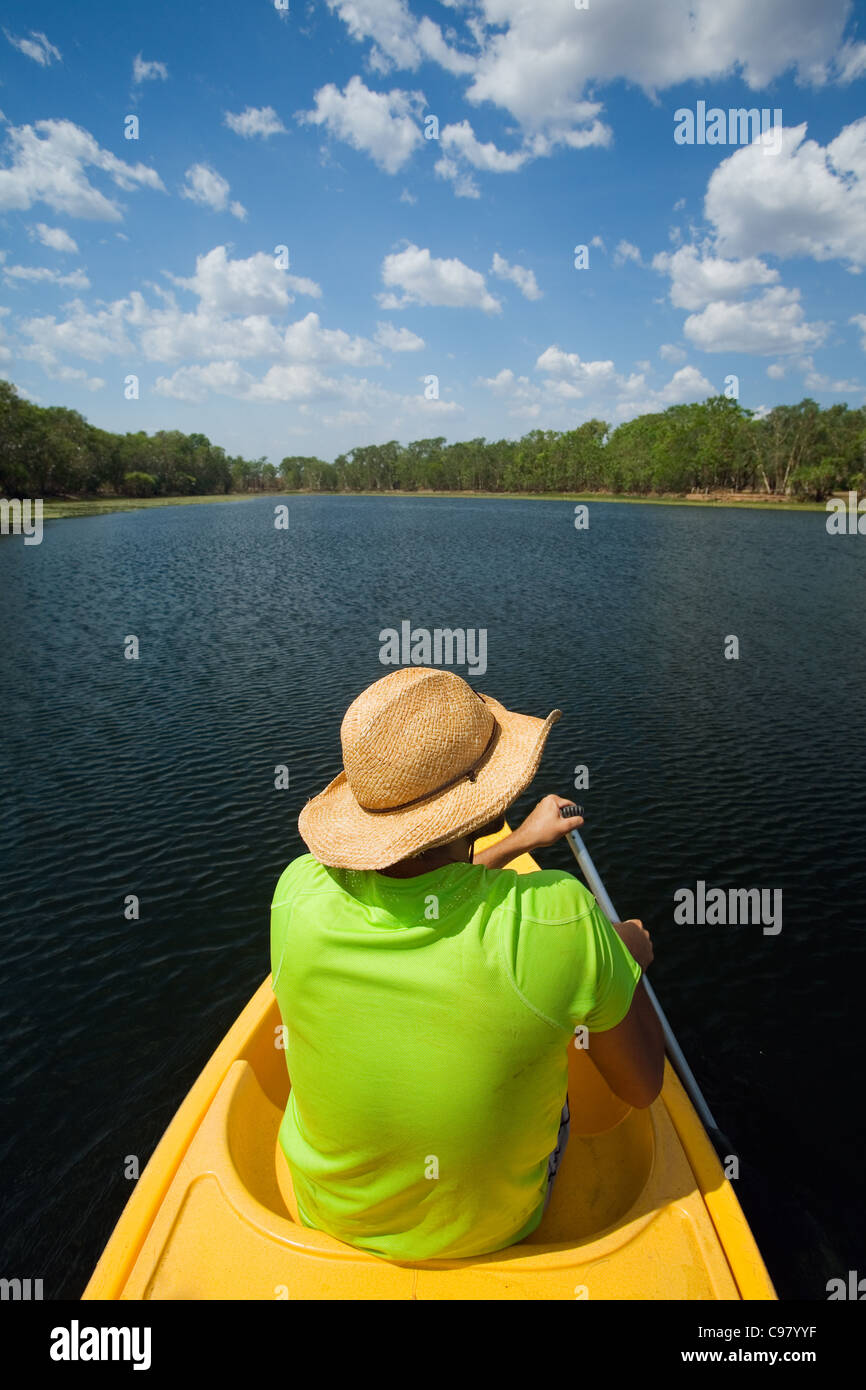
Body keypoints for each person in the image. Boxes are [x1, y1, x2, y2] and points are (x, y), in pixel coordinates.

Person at [270, 665, 665, 1261]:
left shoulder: (295, 893)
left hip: (325, 1213)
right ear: (483, 805)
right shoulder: (562, 916)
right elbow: (642, 1087)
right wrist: (623, 956)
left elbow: (420, 900)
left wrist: (516, 846)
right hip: (496, 1230)